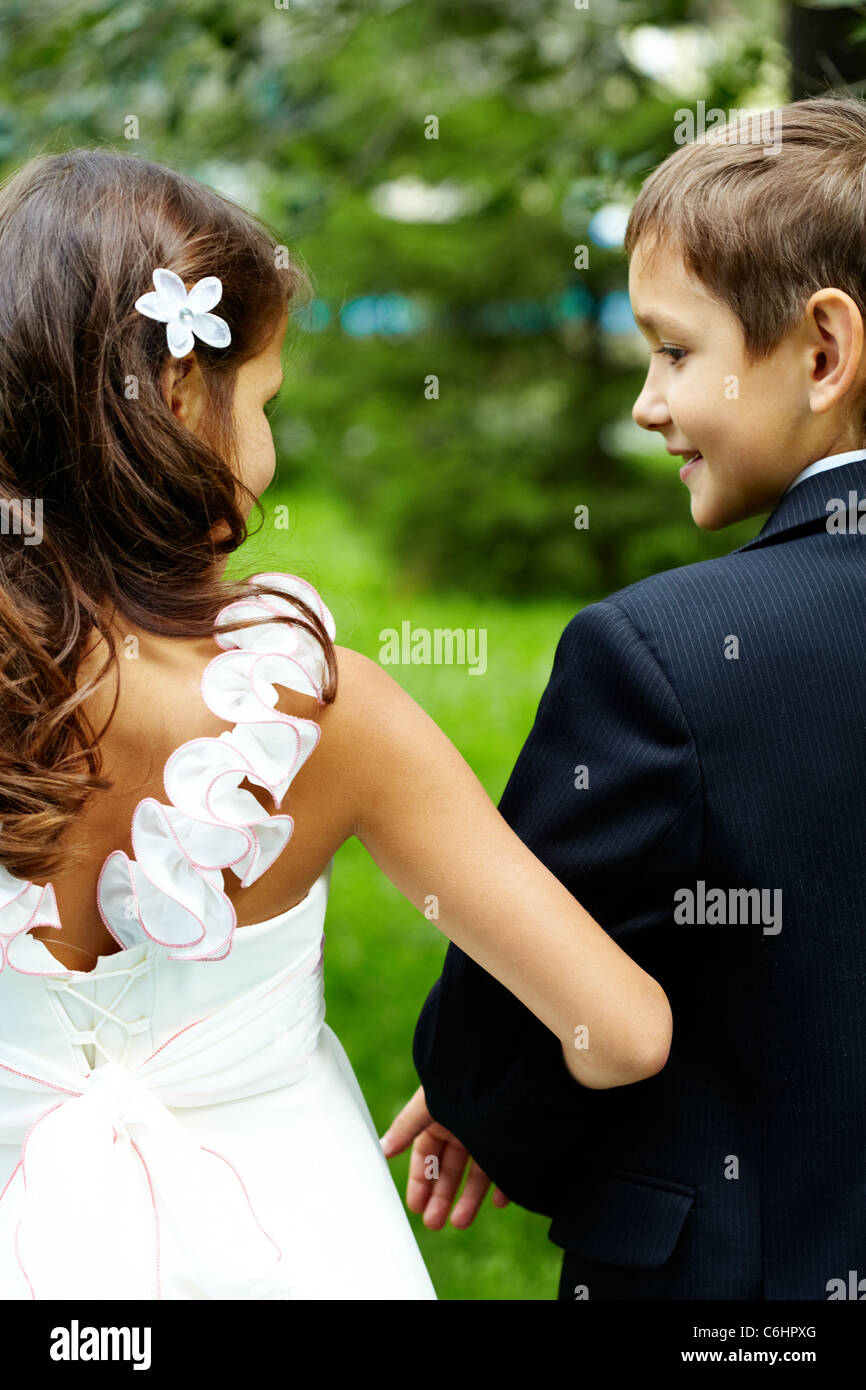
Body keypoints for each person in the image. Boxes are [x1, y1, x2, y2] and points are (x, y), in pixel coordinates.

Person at [0, 148, 671, 1301]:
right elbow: (618, 1030)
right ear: (173, 400)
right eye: (260, 402)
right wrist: (476, 1097)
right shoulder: (319, 712)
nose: (265, 451)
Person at [392, 94, 866, 1301]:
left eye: (671, 351)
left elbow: (505, 1031)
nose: (647, 404)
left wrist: (475, 1098)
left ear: (821, 352)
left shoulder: (658, 655)